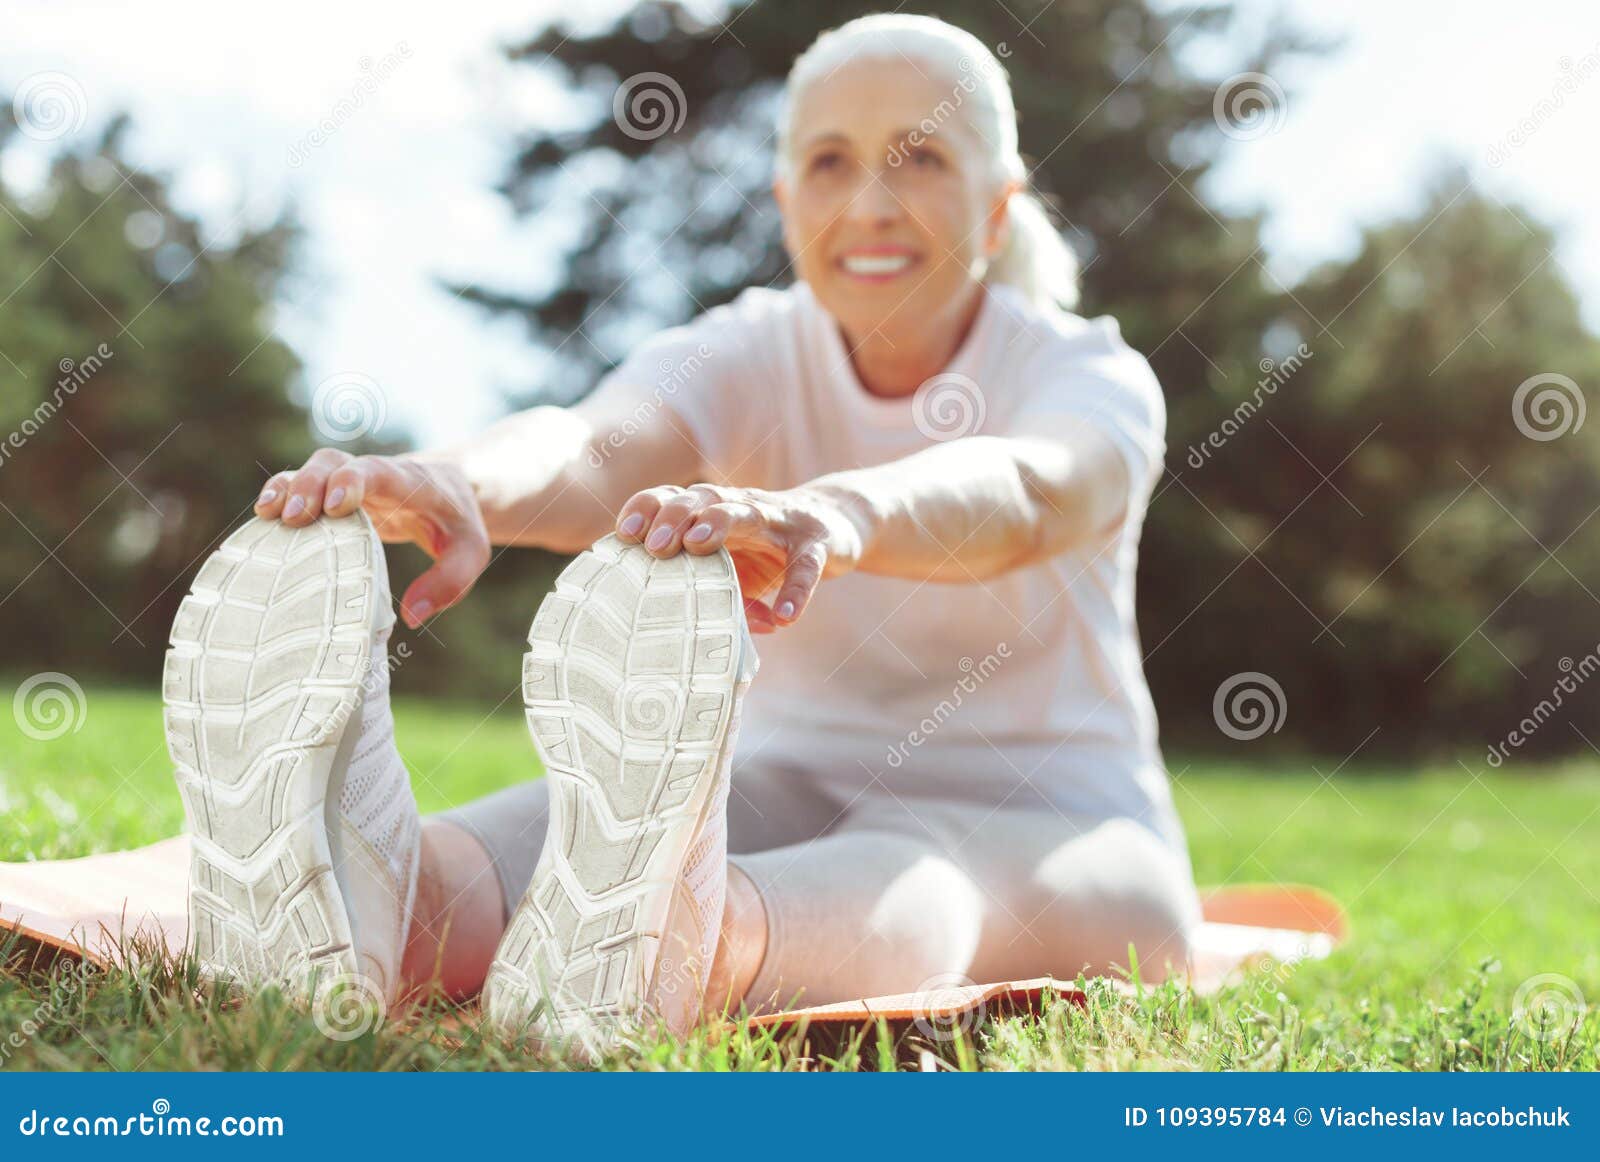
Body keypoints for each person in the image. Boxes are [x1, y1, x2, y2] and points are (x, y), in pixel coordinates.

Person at [165, 12, 1202, 1049]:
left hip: (1061, 820)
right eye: (829, 164)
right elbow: (596, 448)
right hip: (780, 776)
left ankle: (689, 943)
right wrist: (460, 479)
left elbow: (1024, 494)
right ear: (786, 202)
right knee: (619, 827)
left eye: (920, 158)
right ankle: (396, 892)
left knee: (925, 862)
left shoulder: (1087, 375)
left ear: (996, 209)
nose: (871, 205)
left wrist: (834, 513)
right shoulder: (748, 348)